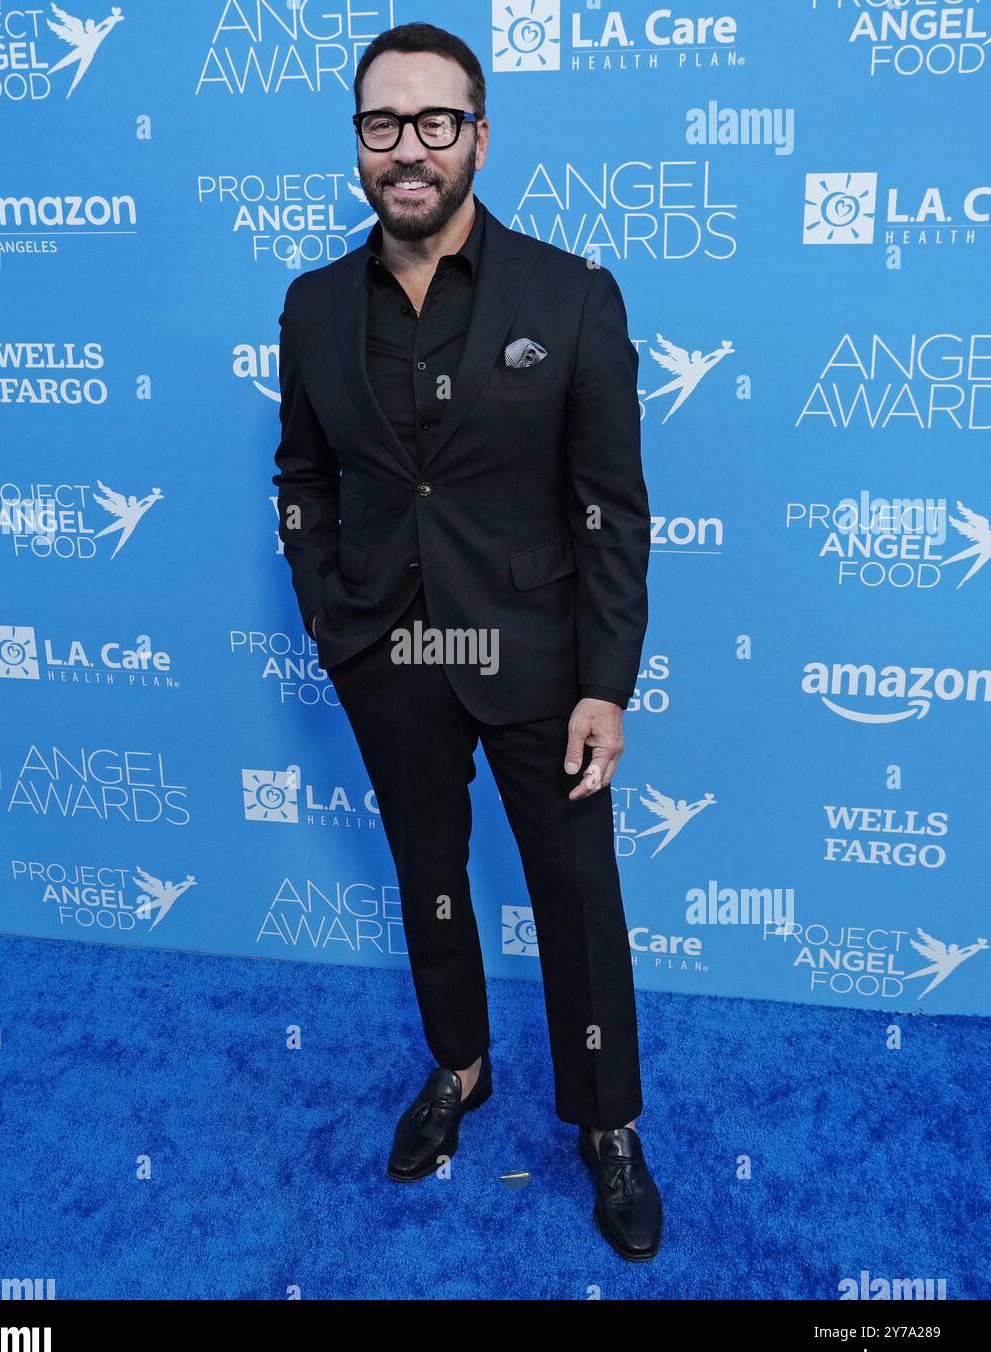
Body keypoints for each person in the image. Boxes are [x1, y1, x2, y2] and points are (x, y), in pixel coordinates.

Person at [272, 22, 661, 1261]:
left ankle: (604, 1126)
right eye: (382, 124)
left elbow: (608, 508)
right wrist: (335, 624)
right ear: (357, 146)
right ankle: (459, 1066)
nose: (408, 149)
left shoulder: (571, 295)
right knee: (430, 881)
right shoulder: (313, 307)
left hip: (536, 658)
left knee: (576, 901)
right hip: (389, 657)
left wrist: (606, 681)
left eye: (435, 122)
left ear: (478, 138)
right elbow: (303, 480)